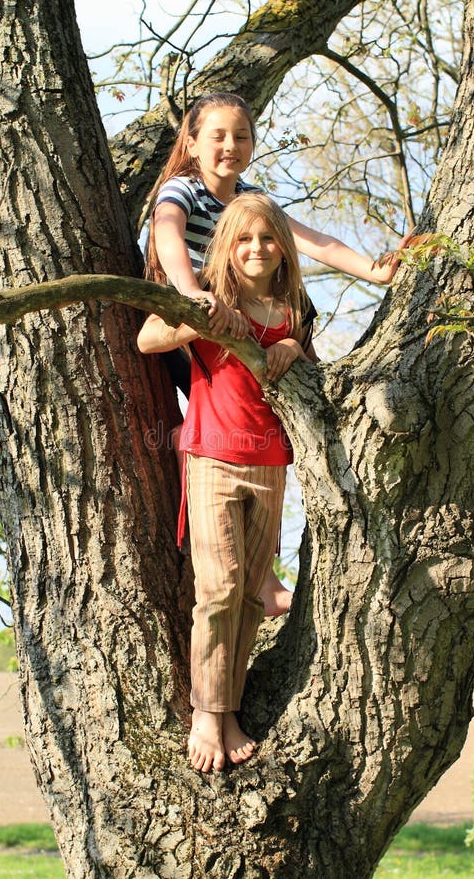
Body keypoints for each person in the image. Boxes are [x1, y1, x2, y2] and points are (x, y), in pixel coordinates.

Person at [143, 92, 402, 616]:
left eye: (241, 136)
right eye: (217, 135)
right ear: (191, 143)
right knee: (206, 423)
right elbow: (166, 233)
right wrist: (192, 293)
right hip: (194, 322)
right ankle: (256, 577)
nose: (230, 146)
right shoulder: (182, 190)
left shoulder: (251, 199)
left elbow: (313, 242)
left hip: (241, 325)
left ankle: (260, 572)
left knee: (268, 398)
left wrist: (373, 271)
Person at [138, 193, 317, 772]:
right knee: (218, 589)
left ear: (282, 248)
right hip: (212, 455)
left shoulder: (292, 310)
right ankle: (206, 715)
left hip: (270, 463)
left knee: (246, 596)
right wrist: (199, 317)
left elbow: (307, 368)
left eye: (267, 239)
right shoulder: (212, 301)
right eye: (243, 240)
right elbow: (147, 339)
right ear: (226, 248)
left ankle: (229, 709)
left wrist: (292, 346)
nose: (257, 249)